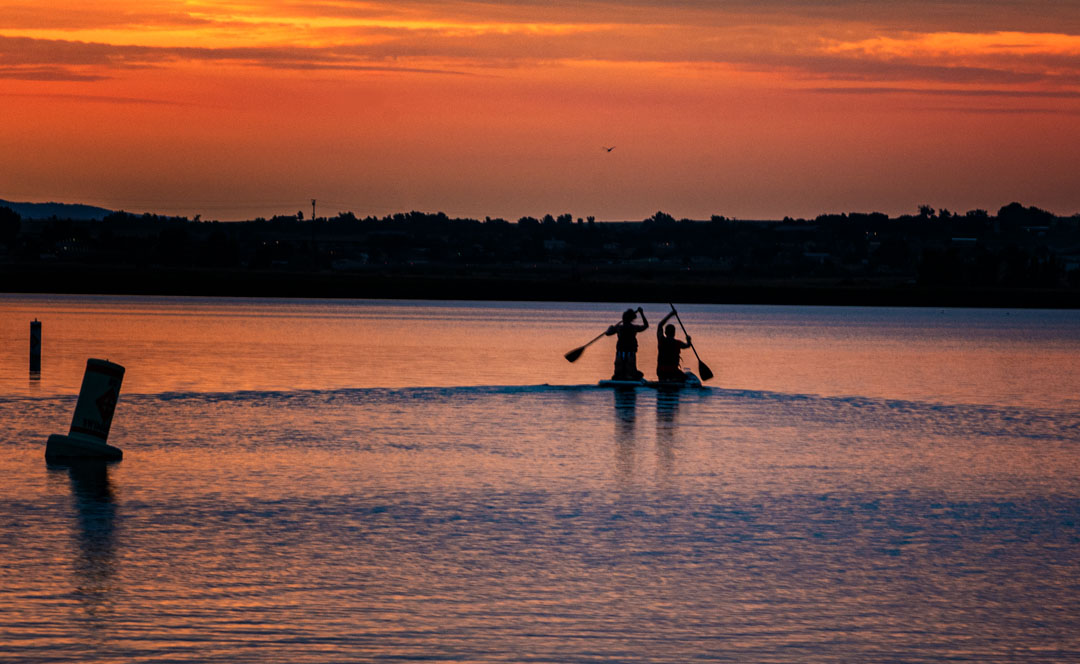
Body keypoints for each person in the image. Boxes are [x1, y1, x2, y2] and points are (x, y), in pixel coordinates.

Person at [606, 307, 648, 380]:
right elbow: (646, 325)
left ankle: (622, 376)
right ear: (631, 319)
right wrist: (642, 313)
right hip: (630, 354)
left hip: (621, 354)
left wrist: (610, 327)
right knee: (631, 374)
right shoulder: (634, 328)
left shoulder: (618, 328)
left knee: (618, 375)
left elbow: (608, 333)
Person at [656, 311, 692, 382]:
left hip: (661, 371)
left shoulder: (661, 340)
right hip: (673, 371)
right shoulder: (678, 343)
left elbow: (660, 325)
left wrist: (671, 314)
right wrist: (689, 340)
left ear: (665, 332)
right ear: (674, 333)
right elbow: (687, 345)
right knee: (685, 378)